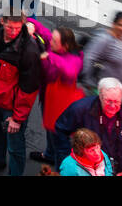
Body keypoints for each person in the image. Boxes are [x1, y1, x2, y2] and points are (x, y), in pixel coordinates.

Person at [0, 14, 44, 174]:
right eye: (10, 27)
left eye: (17, 28)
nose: (13, 32)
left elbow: (29, 89)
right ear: (2, 22)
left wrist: (17, 118)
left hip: (11, 107)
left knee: (15, 145)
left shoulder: (29, 50)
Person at [53, 77, 122, 176]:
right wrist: (68, 159)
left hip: (120, 171)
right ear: (100, 96)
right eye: (108, 101)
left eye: (116, 102)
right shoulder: (80, 109)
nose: (112, 106)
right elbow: (60, 130)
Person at [31, 27, 83, 167]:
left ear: (65, 46)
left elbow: (70, 72)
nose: (51, 42)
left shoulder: (74, 58)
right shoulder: (53, 46)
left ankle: (62, 168)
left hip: (60, 107)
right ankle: (49, 154)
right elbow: (42, 30)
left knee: (61, 142)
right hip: (48, 99)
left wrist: (48, 55)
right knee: (50, 130)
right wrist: (29, 24)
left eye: (55, 41)